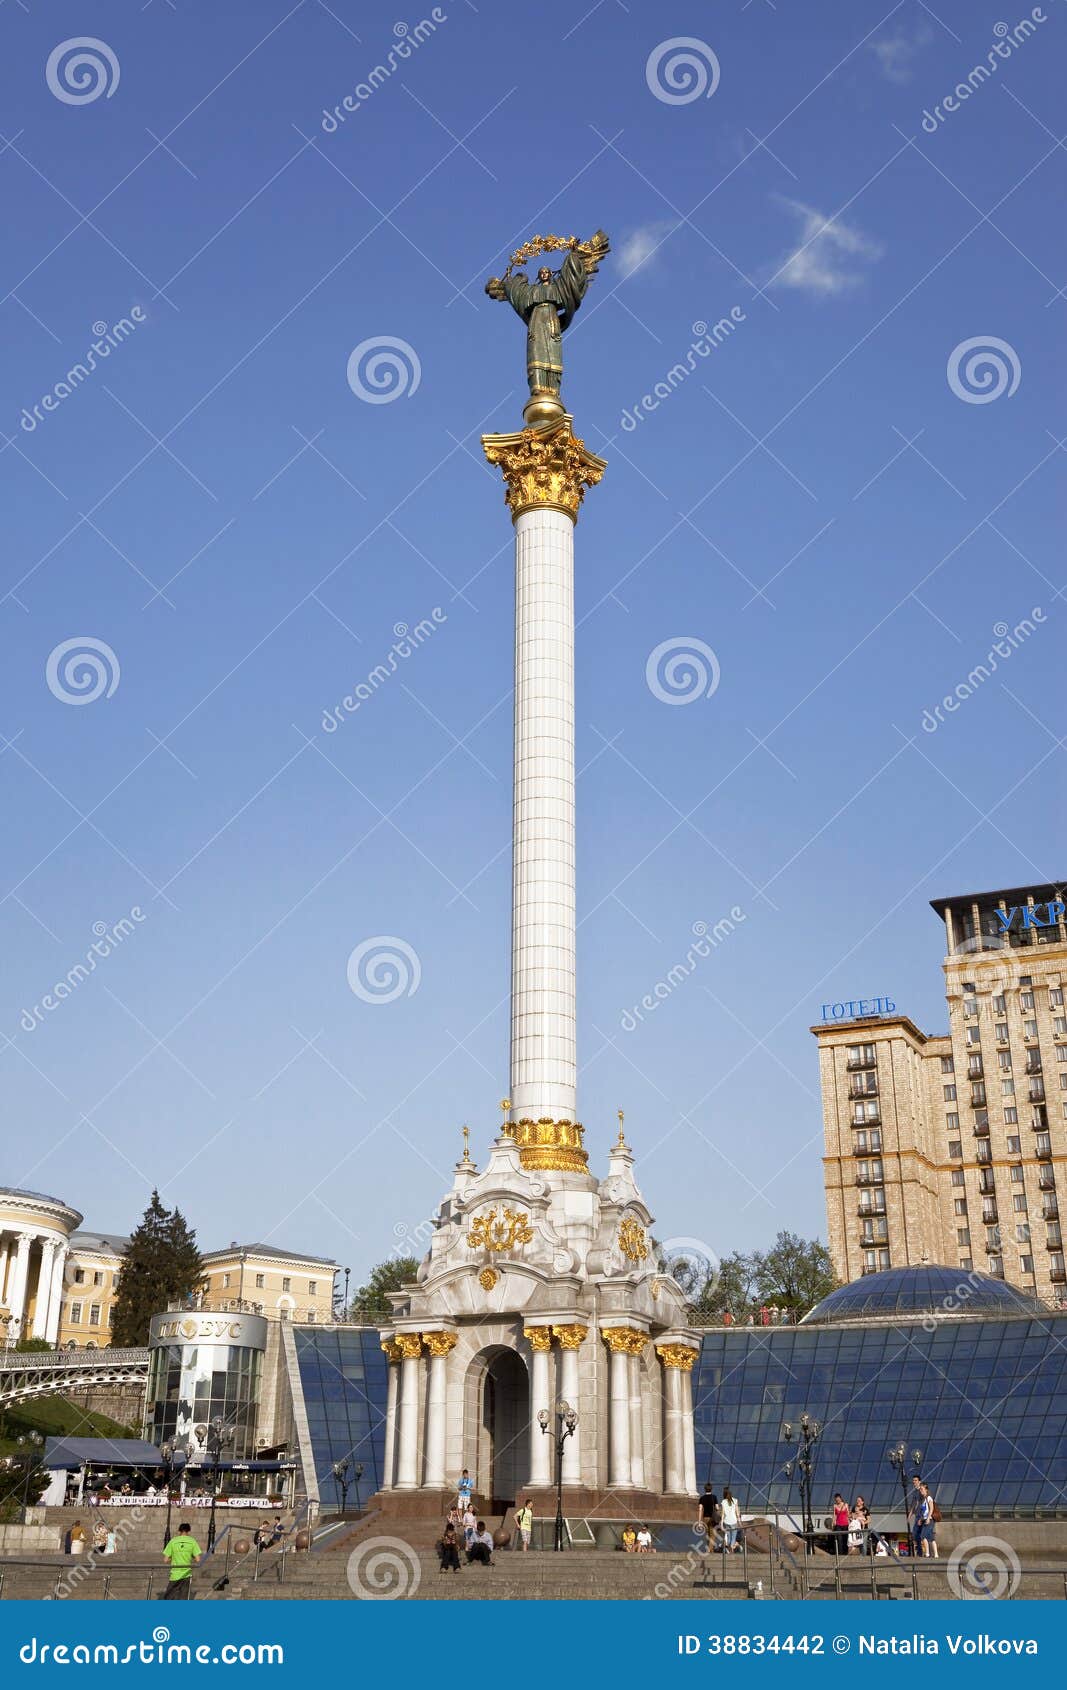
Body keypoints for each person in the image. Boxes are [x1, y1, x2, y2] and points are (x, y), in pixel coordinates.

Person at [162, 1523, 201, 1599]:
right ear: (188, 1531)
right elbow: (198, 1559)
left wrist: (174, 1557)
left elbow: (165, 1560)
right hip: (186, 1574)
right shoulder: (192, 1541)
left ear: (179, 1530)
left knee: (169, 1597)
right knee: (183, 1597)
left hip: (175, 1574)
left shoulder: (173, 1541)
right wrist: (189, 1555)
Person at [697, 1486, 720, 1553]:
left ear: (705, 1489)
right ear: (711, 1489)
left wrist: (699, 1522)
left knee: (708, 1534)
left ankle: (710, 1549)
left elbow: (700, 1509)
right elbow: (717, 1508)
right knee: (712, 1535)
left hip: (705, 1518)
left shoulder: (702, 1498)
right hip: (713, 1519)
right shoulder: (714, 1497)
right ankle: (710, 1550)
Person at [720, 1487, 742, 1553]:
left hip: (726, 1521)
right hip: (734, 1521)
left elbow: (723, 1514)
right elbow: (737, 1512)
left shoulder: (723, 1502)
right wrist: (739, 1522)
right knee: (733, 1536)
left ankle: (729, 1548)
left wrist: (721, 1525)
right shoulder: (735, 1500)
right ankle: (732, 1548)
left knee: (729, 1536)